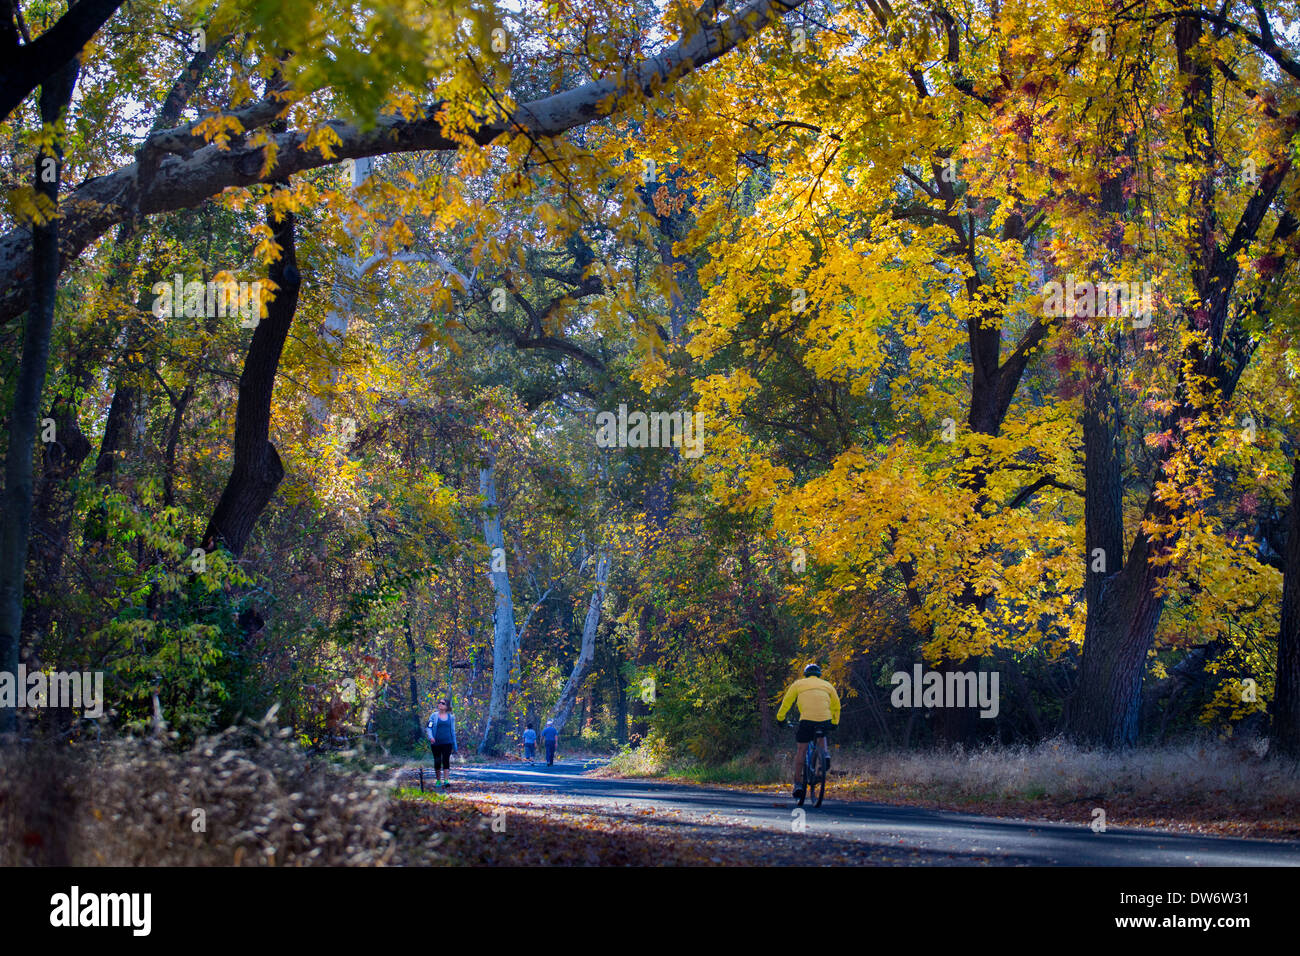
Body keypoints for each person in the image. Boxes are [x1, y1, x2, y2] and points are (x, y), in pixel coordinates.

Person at [775, 663, 840, 801]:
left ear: (805, 674)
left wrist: (780, 719)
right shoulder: (827, 685)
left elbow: (786, 702)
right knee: (822, 735)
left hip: (806, 720)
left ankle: (798, 784)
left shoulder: (798, 684)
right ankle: (825, 755)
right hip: (825, 719)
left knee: (801, 750)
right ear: (819, 675)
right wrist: (835, 722)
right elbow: (836, 705)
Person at [426, 697, 457, 787]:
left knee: (446, 760)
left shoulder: (451, 717)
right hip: (436, 743)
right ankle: (438, 780)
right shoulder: (433, 716)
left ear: (447, 706)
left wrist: (455, 745)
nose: (440, 704)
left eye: (443, 703)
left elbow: (453, 731)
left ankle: (446, 780)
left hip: (447, 742)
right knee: (437, 761)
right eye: (439, 702)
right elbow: (429, 727)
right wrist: (431, 737)